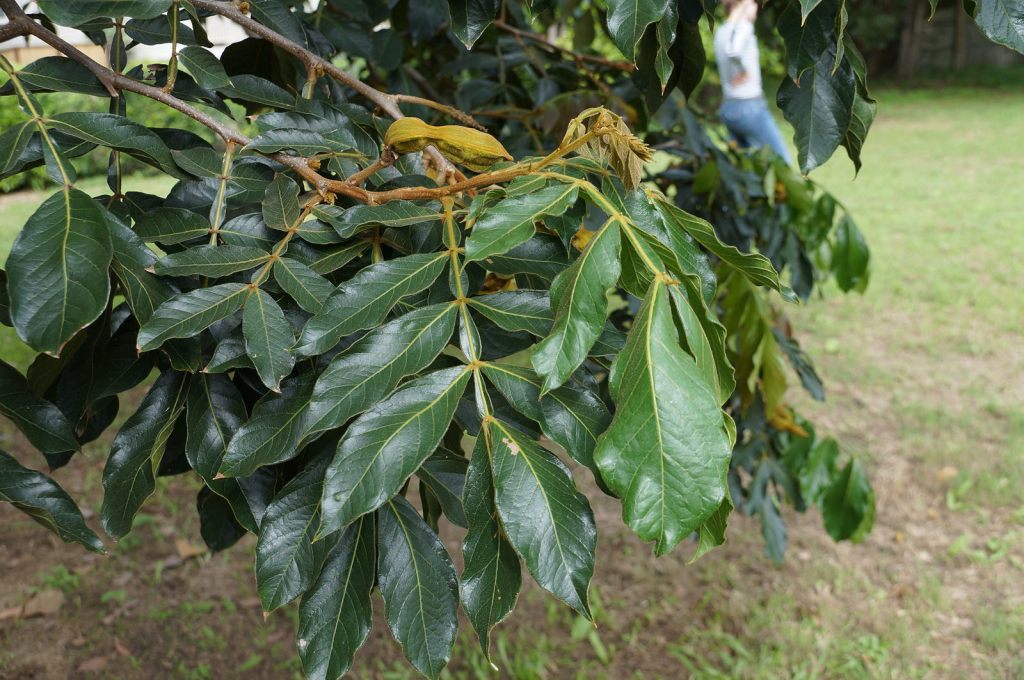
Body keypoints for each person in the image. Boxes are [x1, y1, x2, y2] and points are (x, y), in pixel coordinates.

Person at [713, 0, 793, 165]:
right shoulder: (744, 27)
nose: (756, 7)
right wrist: (744, 71)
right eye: (753, 3)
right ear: (742, 5)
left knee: (745, 169)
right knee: (782, 161)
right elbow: (733, 51)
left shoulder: (721, 31)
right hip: (749, 108)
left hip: (728, 107)